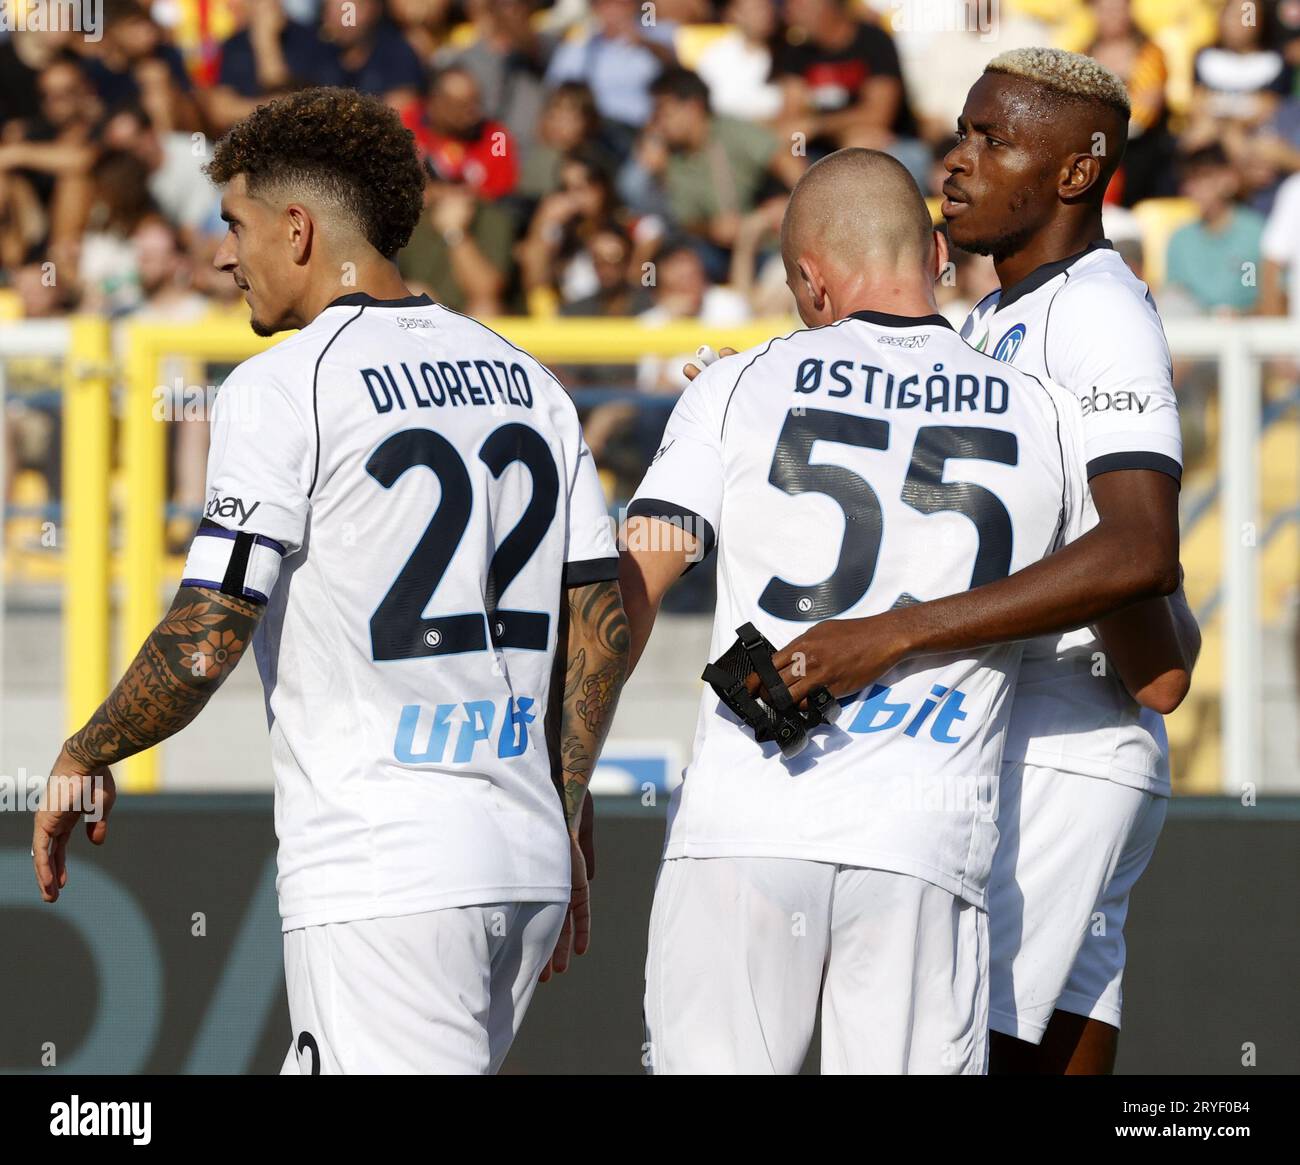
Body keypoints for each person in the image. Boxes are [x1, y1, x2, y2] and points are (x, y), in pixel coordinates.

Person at [31, 87, 630, 1076]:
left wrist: (86, 747)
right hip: (519, 857)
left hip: (383, 867)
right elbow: (596, 620)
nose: (225, 255)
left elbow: (208, 631)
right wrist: (561, 810)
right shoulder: (529, 377)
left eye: (235, 225)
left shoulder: (285, 383)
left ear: (297, 230)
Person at [726, 48, 1198, 1075]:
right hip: (1036, 729)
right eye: (960, 133)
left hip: (1058, 740)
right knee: (1046, 1034)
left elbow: (1138, 547)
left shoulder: (1097, 314)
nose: (957, 161)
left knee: (958, 1047)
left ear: (1076, 174)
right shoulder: (992, 319)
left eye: (994, 140)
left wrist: (888, 635)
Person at [620, 147, 1093, 1074]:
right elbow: (1142, 627)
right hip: (923, 838)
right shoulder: (1048, 412)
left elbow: (638, 583)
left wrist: (563, 778)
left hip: (743, 826)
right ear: (937, 262)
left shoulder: (735, 383)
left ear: (810, 278)